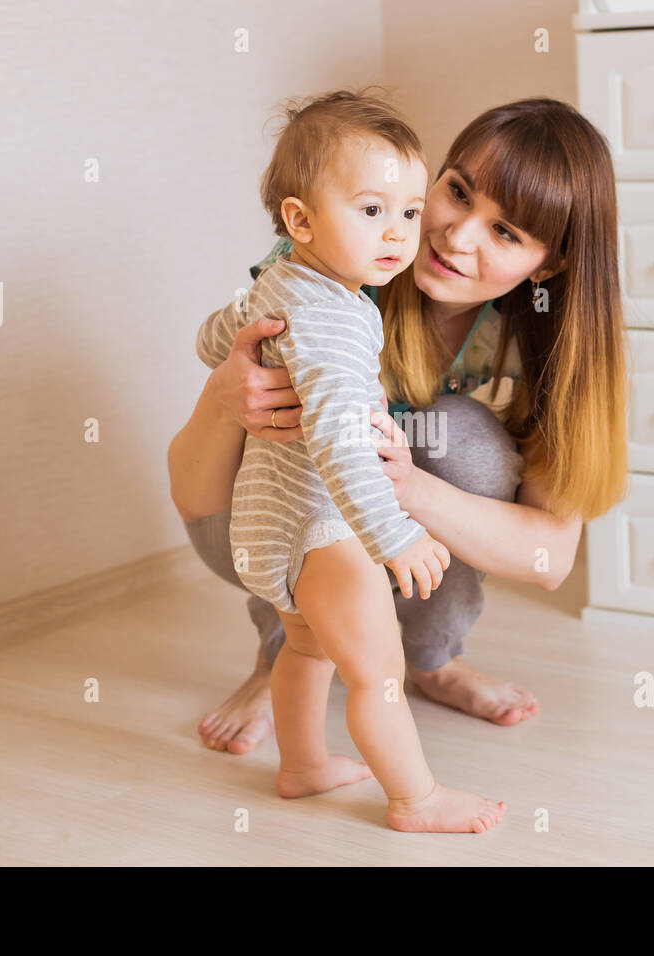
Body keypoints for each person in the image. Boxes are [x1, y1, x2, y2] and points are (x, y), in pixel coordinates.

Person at [171, 90, 630, 757]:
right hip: (263, 532)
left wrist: (408, 491)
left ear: (550, 264)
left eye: (506, 232)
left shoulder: (546, 350)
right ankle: (282, 653)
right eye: (460, 192)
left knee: (460, 436)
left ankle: (431, 657)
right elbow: (193, 501)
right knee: (319, 463)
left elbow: (548, 559)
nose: (455, 234)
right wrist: (223, 399)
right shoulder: (330, 266)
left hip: (394, 538)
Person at [196, 89, 504, 831]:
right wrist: (393, 535)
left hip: (272, 525)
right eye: (371, 210)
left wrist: (239, 352)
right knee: (378, 671)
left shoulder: (281, 285)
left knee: (306, 648)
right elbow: (338, 442)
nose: (398, 233)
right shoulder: (334, 316)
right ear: (300, 220)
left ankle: (302, 767)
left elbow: (213, 340)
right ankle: (415, 798)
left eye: (406, 211)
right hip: (322, 524)